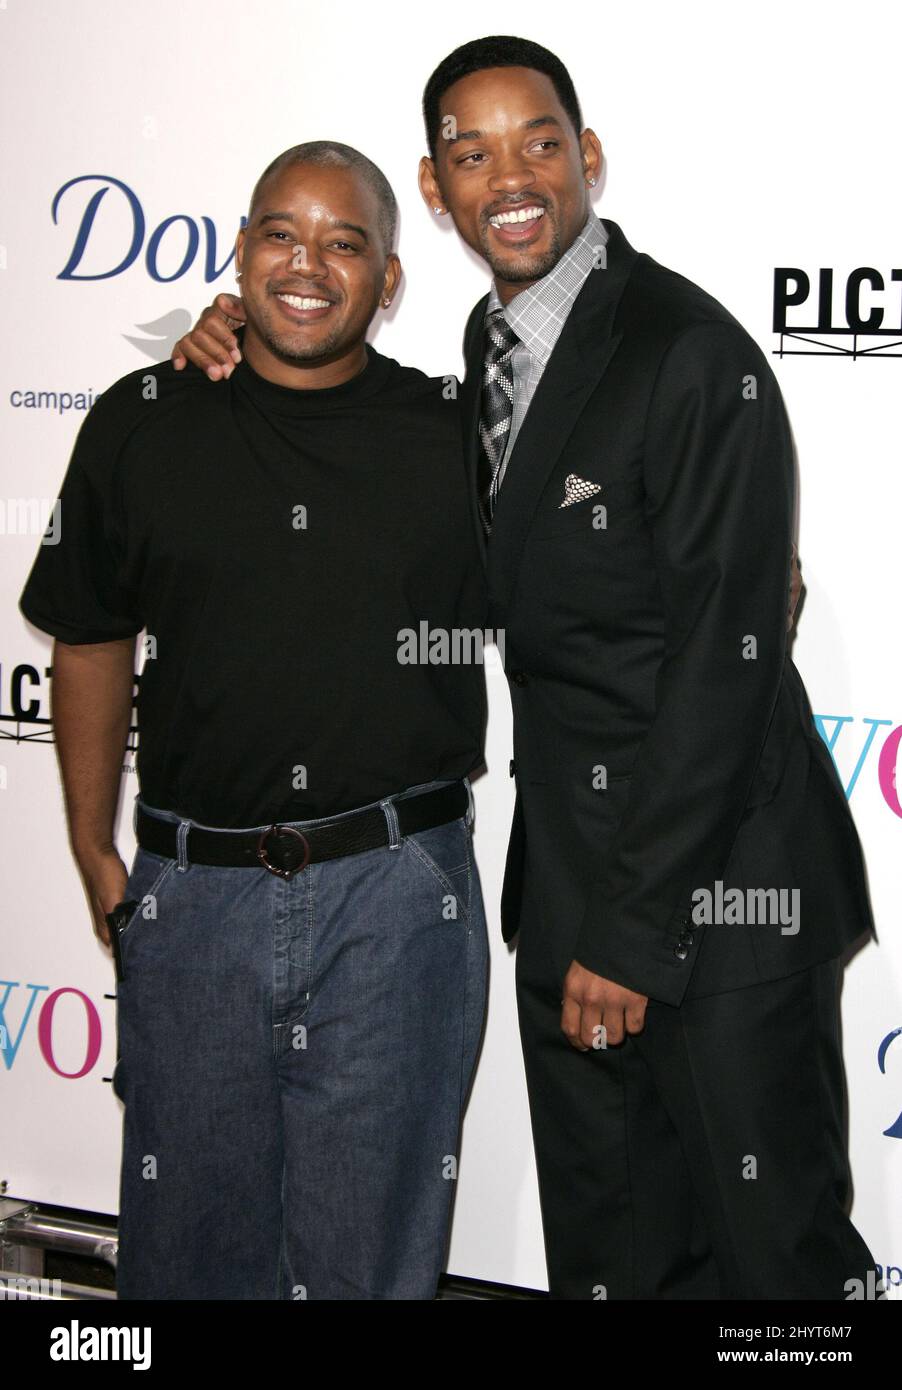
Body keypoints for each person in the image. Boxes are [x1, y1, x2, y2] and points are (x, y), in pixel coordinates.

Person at [172, 38, 874, 1300]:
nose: (509, 174)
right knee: (614, 1264)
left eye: (537, 142)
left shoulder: (685, 349)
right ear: (433, 194)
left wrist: (634, 926)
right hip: (570, 903)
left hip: (718, 898)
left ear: (586, 158)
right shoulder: (485, 358)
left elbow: (724, 667)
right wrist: (232, 341)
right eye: (469, 150)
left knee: (778, 1274)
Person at [19, 141, 489, 1301]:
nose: (308, 264)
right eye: (282, 232)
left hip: (397, 900)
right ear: (238, 251)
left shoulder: (455, 433)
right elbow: (89, 634)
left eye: (345, 243)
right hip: (196, 898)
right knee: (186, 1257)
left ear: (387, 280)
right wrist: (92, 846)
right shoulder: (142, 418)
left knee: (365, 1263)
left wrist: (731, 549)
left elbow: (597, 542)